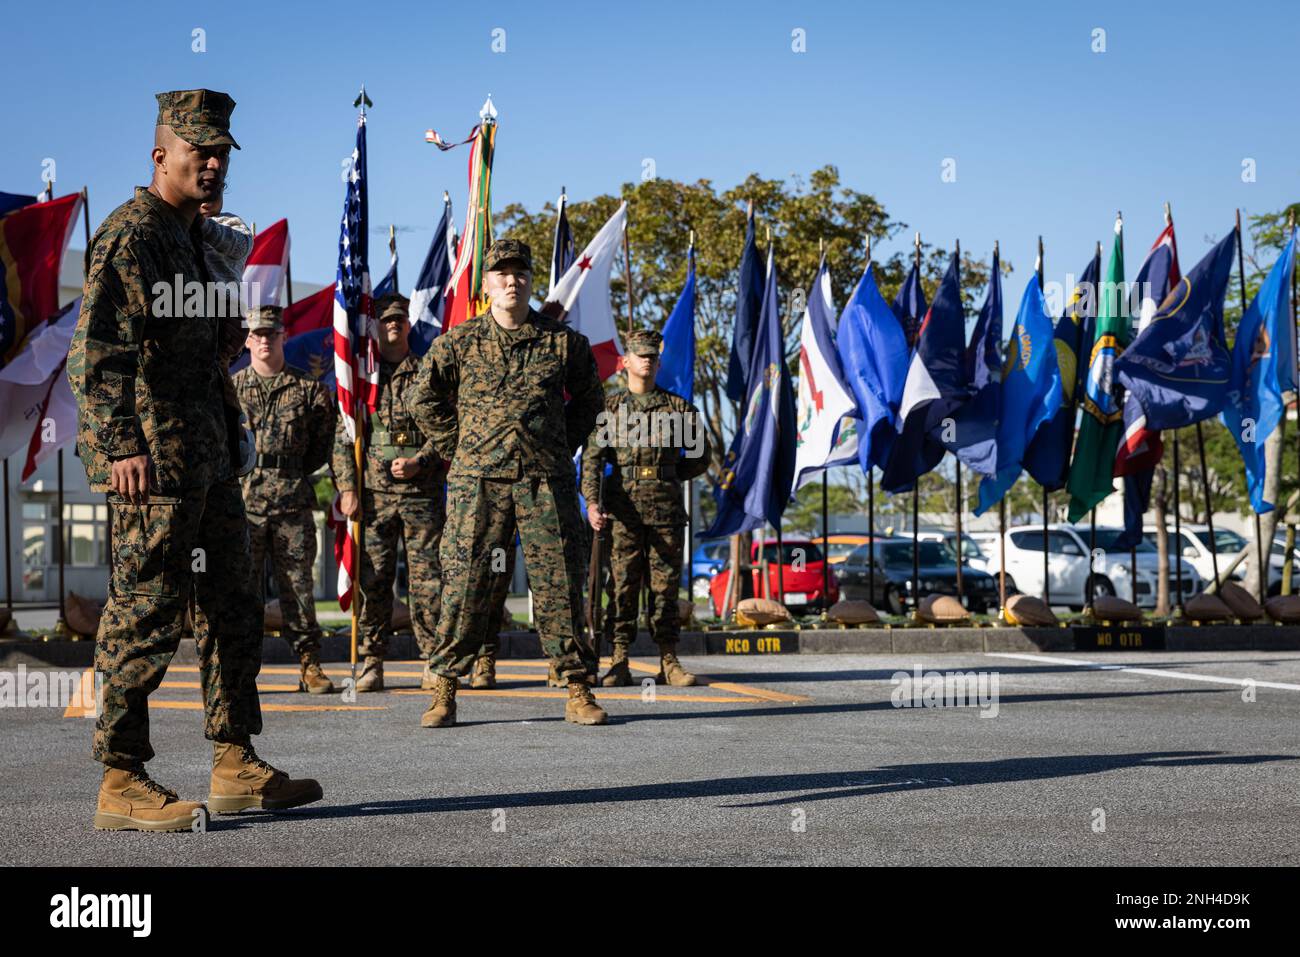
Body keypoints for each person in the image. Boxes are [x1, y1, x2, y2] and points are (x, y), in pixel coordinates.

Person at [68, 88, 321, 832]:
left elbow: (211, 353)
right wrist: (120, 445)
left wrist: (222, 281)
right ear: (161, 156)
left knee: (232, 607)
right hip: (155, 461)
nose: (211, 165)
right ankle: (120, 777)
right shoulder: (131, 235)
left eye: (220, 154)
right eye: (196, 152)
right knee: (145, 610)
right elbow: (98, 352)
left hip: (210, 461)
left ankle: (234, 759)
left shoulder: (192, 242)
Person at [413, 238, 607, 727]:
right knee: (464, 585)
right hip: (477, 484)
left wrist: (559, 443)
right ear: (487, 285)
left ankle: (578, 687)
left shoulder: (563, 342)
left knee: (559, 584)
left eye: (520, 273)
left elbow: (589, 402)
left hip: (546, 481)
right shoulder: (458, 343)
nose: (511, 281)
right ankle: (444, 689)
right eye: (501, 273)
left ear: (529, 281)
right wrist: (458, 445)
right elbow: (424, 401)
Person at [581, 329, 711, 687]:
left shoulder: (678, 409)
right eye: (641, 355)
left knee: (665, 589)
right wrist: (593, 502)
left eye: (653, 356)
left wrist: (670, 476)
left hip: (666, 513)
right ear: (625, 362)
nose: (648, 361)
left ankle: (668, 660)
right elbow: (591, 461)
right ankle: (619, 658)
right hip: (623, 514)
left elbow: (701, 456)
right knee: (621, 587)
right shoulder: (609, 410)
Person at [333, 294, 446, 692]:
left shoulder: (428, 370)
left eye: (399, 319)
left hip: (421, 493)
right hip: (375, 496)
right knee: (374, 581)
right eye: (386, 320)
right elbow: (344, 435)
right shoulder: (362, 376)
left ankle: (433, 661)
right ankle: (372, 661)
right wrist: (347, 487)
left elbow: (448, 428)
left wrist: (422, 461)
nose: (393, 325)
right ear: (375, 326)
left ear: (408, 324)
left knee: (427, 581)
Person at [233, 305, 337, 693]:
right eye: (257, 334)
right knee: (243, 591)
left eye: (271, 334)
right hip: (245, 507)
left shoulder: (310, 391)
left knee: (297, 586)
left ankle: (310, 665)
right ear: (247, 339)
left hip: (292, 503)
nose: (264, 340)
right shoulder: (232, 389)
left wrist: (288, 470)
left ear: (283, 336)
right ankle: (240, 671)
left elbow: (321, 449)